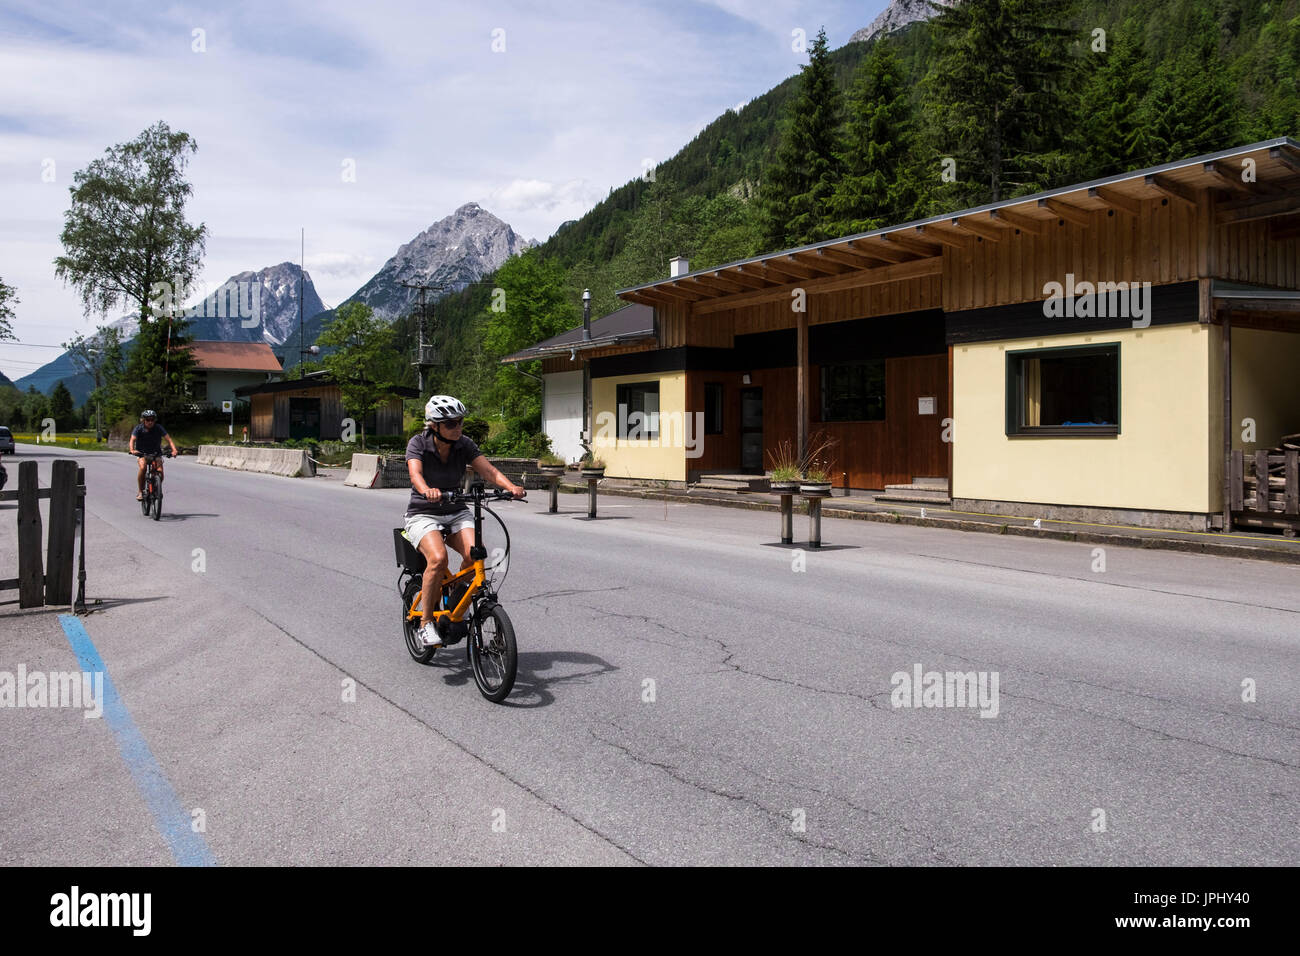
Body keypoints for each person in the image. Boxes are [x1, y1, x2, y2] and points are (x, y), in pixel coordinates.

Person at [405, 395, 525, 649]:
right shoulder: (418, 443)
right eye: (451, 424)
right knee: (438, 559)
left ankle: (456, 599)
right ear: (434, 426)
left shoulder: (464, 444)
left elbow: (488, 470)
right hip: (423, 512)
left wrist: (510, 487)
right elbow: (415, 474)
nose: (458, 428)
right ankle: (426, 624)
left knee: (475, 556)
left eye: (460, 422)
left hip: (456, 511)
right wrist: (427, 489)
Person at [129, 409, 179, 500]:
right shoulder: (139, 428)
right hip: (142, 454)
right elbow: (132, 439)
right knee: (143, 467)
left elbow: (169, 439)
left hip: (156, 454)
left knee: (160, 472)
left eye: (152, 420)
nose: (150, 422)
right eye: (148, 420)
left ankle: (156, 488)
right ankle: (140, 491)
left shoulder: (158, 428)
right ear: (143, 420)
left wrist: (174, 450)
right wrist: (132, 450)